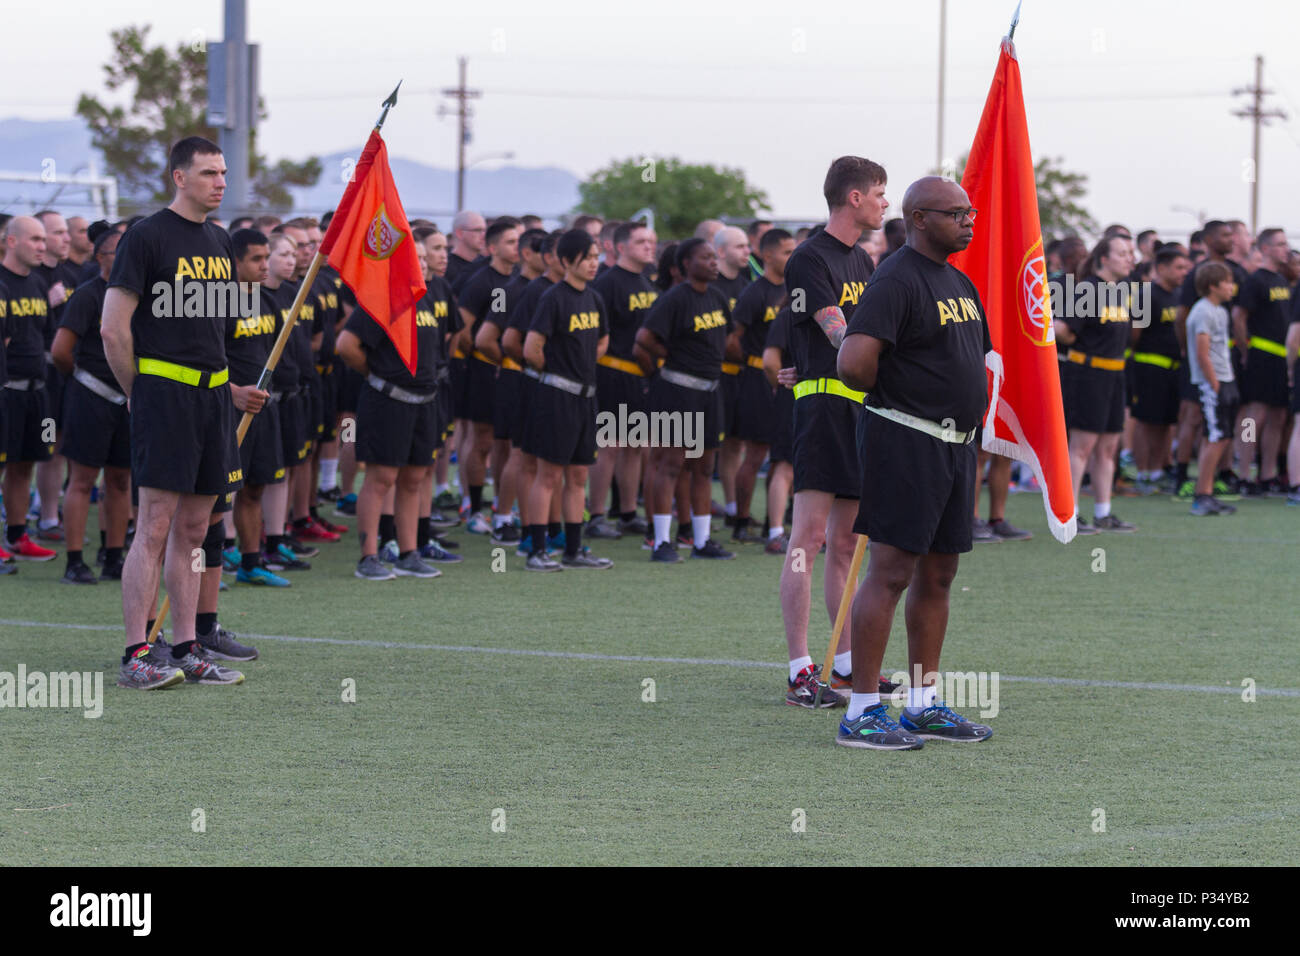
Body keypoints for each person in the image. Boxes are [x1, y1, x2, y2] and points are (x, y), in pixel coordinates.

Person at [835, 175, 995, 749]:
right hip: (905, 439)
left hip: (955, 446)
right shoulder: (896, 277)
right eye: (957, 214)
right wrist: (906, 398)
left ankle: (923, 704)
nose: (969, 221)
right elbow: (854, 363)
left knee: (940, 573)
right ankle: (861, 711)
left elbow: (974, 357)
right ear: (920, 218)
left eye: (970, 212)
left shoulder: (957, 280)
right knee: (892, 572)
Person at [100, 136, 247, 688]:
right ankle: (138, 653)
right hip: (164, 395)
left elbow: (222, 329)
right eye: (210, 172)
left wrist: (229, 387)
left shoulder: (221, 239)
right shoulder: (146, 235)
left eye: (224, 173)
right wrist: (139, 391)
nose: (221, 182)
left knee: (195, 528)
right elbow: (113, 328)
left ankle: (186, 648)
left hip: (213, 397)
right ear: (179, 177)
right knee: (155, 525)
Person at [777, 156, 886, 708]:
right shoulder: (809, 259)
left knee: (846, 542)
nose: (885, 203)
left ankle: (844, 665)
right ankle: (801, 668)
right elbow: (842, 333)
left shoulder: (865, 262)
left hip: (858, 410)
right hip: (822, 409)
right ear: (854, 198)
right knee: (809, 540)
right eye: (879, 193)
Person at [335, 255, 450, 581]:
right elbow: (346, 345)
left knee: (414, 479)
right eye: (418, 258)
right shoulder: (382, 297)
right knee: (381, 478)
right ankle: (369, 556)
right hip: (388, 401)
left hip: (425, 402)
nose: (424, 263)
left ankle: (409, 553)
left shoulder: (427, 298)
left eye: (427, 258)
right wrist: (377, 375)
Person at [634, 238, 734, 563]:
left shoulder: (718, 297)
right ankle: (661, 541)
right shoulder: (675, 298)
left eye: (714, 257)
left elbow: (728, 340)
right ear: (686, 264)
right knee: (670, 465)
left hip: (710, 390)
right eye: (705, 258)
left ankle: (701, 542)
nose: (713, 262)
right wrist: (675, 357)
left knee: (704, 468)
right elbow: (644, 339)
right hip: (678, 389)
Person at [520, 228, 613, 571]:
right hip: (556, 397)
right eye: (587, 258)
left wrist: (585, 363)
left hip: (586, 399)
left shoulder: (594, 297)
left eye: (595, 257)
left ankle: (574, 550)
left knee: (577, 477)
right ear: (566, 261)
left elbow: (603, 340)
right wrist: (559, 373)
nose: (593, 264)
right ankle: (537, 550)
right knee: (548, 476)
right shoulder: (553, 297)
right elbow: (531, 348)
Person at [50, 225, 131, 584]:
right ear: (101, 258)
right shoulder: (87, 295)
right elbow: (60, 352)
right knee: (81, 481)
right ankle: (74, 561)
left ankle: (114, 556)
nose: (128, 260)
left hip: (128, 398)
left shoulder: (137, 296)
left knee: (121, 480)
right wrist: (84, 381)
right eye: (119, 253)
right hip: (91, 394)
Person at [1054, 234, 1138, 534]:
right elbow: (1061, 329)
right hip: (1088, 374)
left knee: (1108, 448)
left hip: (1114, 374)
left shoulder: (1121, 290)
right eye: (1122, 253)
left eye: (1131, 252)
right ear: (1104, 258)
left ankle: (1103, 512)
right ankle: (1070, 515)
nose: (1130, 257)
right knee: (1081, 448)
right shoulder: (1088, 288)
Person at [586, 220, 659, 540]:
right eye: (641, 241)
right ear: (619, 247)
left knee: (635, 445)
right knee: (610, 446)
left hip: (641, 376)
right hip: (612, 372)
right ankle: (596, 515)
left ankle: (628, 512)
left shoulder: (648, 283)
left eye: (651, 241)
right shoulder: (607, 283)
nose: (649, 246)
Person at [457, 217, 523, 534]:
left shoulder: (522, 282)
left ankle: (503, 507)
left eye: (519, 241)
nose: (518, 247)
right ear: (493, 247)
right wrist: (488, 358)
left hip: (508, 371)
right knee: (480, 439)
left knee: (506, 442)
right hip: (484, 368)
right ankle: (472, 506)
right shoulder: (483, 281)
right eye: (511, 242)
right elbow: (463, 328)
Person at [728, 227, 793, 543]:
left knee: (781, 455)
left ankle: (773, 523)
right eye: (786, 252)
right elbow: (733, 337)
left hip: (784, 382)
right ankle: (741, 520)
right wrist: (751, 365)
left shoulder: (794, 290)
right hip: (757, 377)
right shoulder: (755, 292)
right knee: (754, 454)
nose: (791, 258)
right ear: (767, 256)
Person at [0, 216, 58, 562]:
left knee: (25, 465)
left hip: (37, 391)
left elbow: (45, 335)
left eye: (43, 239)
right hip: (6, 390)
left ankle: (18, 536)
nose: (43, 245)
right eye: (35, 239)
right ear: (11, 242)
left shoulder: (37, 283)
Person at [1230, 228, 1292, 495]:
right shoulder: (1256, 280)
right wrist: (1246, 350)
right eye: (1279, 244)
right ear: (1265, 249)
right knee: (1253, 418)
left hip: (1281, 358)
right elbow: (1238, 317)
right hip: (1261, 356)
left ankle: (1267, 475)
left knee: (1277, 417)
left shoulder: (1282, 280)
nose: (1286, 248)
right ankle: (1244, 473)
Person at [1129, 247, 1191, 493]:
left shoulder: (1178, 295)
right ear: (1161, 268)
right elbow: (1134, 334)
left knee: (1166, 422)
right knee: (1146, 421)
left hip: (1173, 369)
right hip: (1149, 366)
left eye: (1185, 268)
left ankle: (1158, 470)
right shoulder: (1146, 295)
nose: (1183, 273)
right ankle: (1142, 473)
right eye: (1178, 267)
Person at [1186, 262, 1240, 516]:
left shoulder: (1221, 311)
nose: (1232, 287)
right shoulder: (1202, 311)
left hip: (1225, 378)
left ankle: (1207, 491)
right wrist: (1214, 383)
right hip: (1212, 382)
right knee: (1215, 436)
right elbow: (1201, 352)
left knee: (1223, 436)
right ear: (1213, 286)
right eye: (1227, 282)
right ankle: (1201, 495)